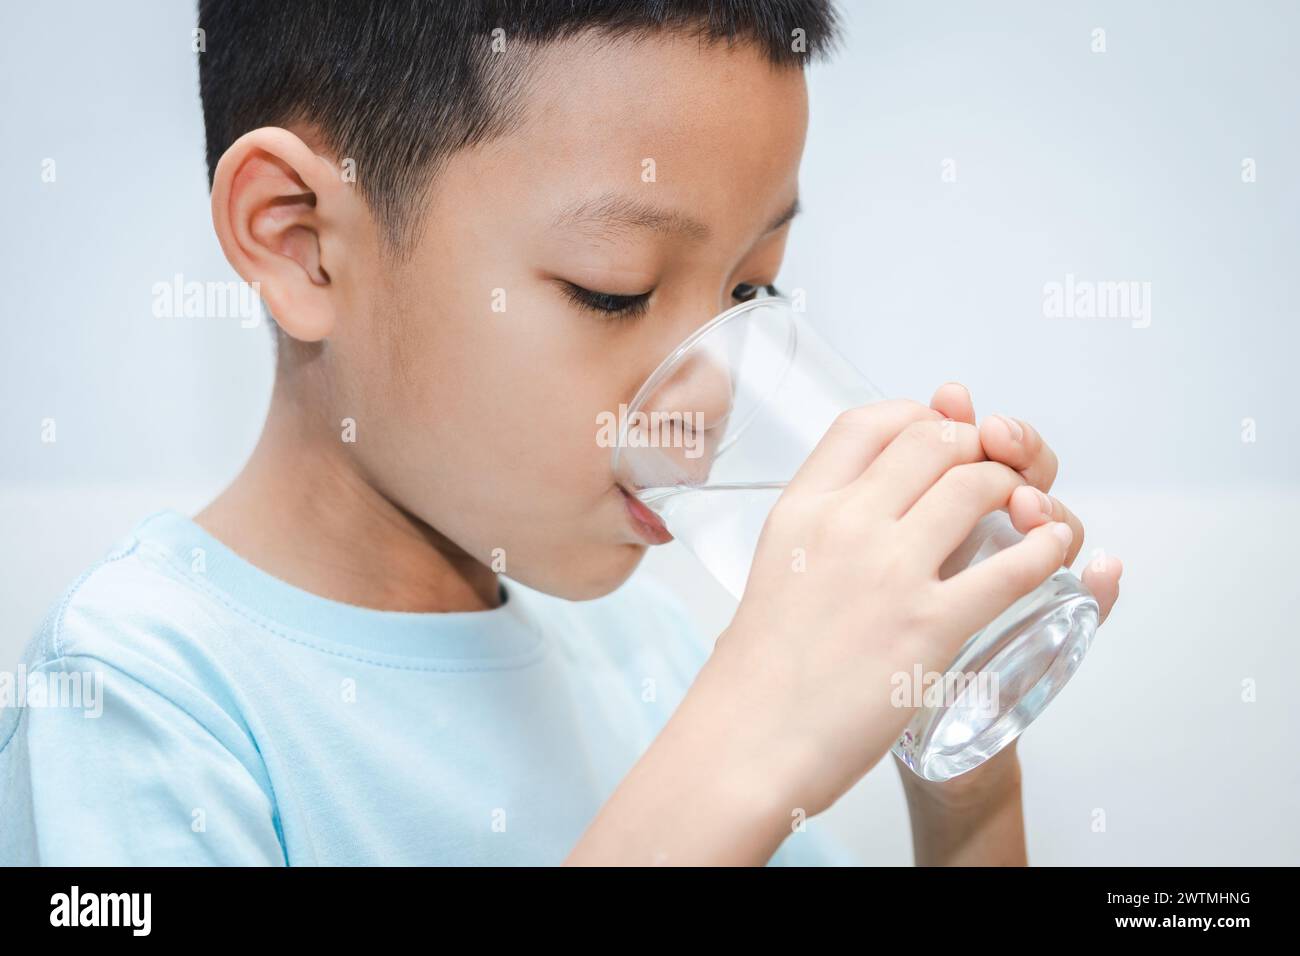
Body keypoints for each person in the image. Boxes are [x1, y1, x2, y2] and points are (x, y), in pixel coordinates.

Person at [0, 0, 1121, 866]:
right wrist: (737, 755)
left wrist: (961, 776)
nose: (712, 398)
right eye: (614, 291)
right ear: (300, 241)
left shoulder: (653, 659)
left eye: (751, 291)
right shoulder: (141, 696)